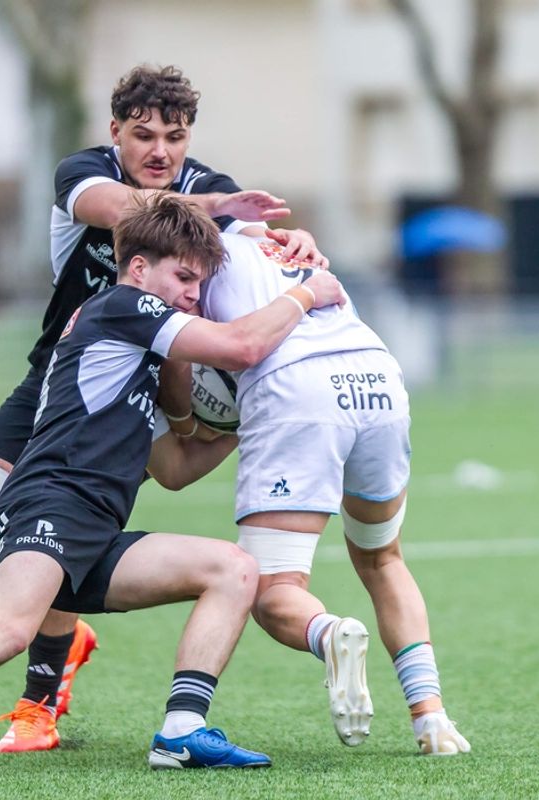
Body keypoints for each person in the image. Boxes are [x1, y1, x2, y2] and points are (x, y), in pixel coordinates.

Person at [0, 195, 348, 783]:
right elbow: (241, 347)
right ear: (137, 269)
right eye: (183, 276)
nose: (192, 293)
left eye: (200, 282)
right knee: (6, 630)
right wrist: (308, 292)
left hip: (95, 532)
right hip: (45, 505)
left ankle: (181, 733)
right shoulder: (120, 307)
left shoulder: (138, 356)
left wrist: (250, 421)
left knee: (233, 570)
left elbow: (177, 468)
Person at [0, 63, 327, 751]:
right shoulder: (83, 171)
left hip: (148, 387)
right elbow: (120, 211)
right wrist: (224, 212)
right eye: (142, 135)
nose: (159, 152)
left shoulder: (207, 188)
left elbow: (255, 247)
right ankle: (62, 618)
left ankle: (42, 694)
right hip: (57, 378)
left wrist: (293, 246)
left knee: (147, 487)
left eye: (174, 138)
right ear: (114, 132)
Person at [198, 234, 472, 756]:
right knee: (383, 558)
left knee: (272, 589)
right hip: (376, 378)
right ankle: (430, 716)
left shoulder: (188, 249)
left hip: (296, 386)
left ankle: (330, 634)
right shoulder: (278, 242)